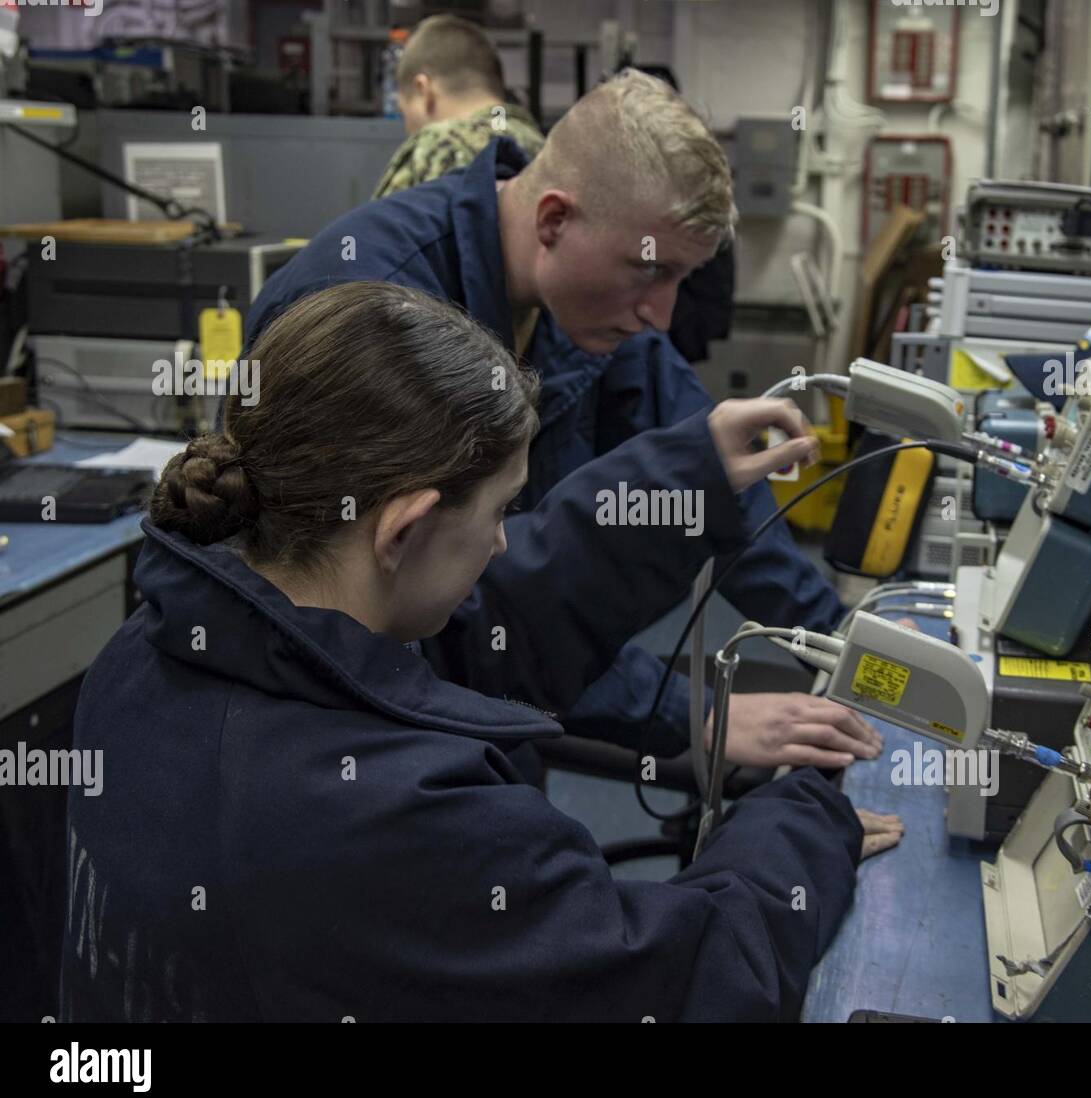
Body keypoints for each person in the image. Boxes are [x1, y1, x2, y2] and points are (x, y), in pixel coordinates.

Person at [61, 282, 903, 1022]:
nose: (503, 543)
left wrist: (687, 473)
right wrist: (800, 825)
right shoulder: (409, 819)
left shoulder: (145, 654)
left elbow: (487, 627)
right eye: (501, 512)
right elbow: (686, 982)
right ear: (404, 529)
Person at [248, 69, 878, 773]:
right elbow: (432, 624)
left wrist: (853, 650)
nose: (661, 314)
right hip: (362, 739)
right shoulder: (372, 311)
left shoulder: (588, 307)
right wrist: (688, 711)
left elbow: (723, 484)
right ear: (552, 221)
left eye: (680, 278)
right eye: (649, 272)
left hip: (508, 698)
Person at [374, 13, 545, 200]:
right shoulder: (542, 146)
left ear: (424, 90)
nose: (407, 128)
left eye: (404, 112)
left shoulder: (437, 144)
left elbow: (378, 218)